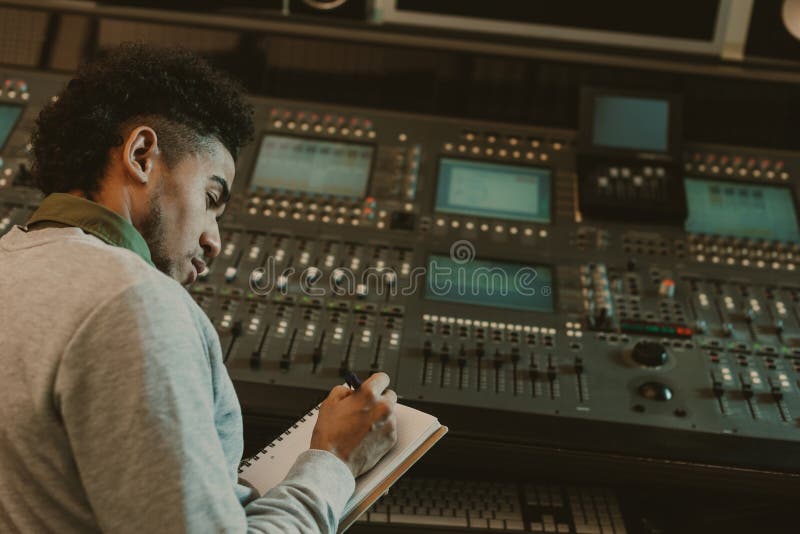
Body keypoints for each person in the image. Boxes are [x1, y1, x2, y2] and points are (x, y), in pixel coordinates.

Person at [0, 43, 397, 533]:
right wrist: (334, 459)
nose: (214, 241)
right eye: (211, 198)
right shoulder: (135, 301)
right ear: (142, 155)